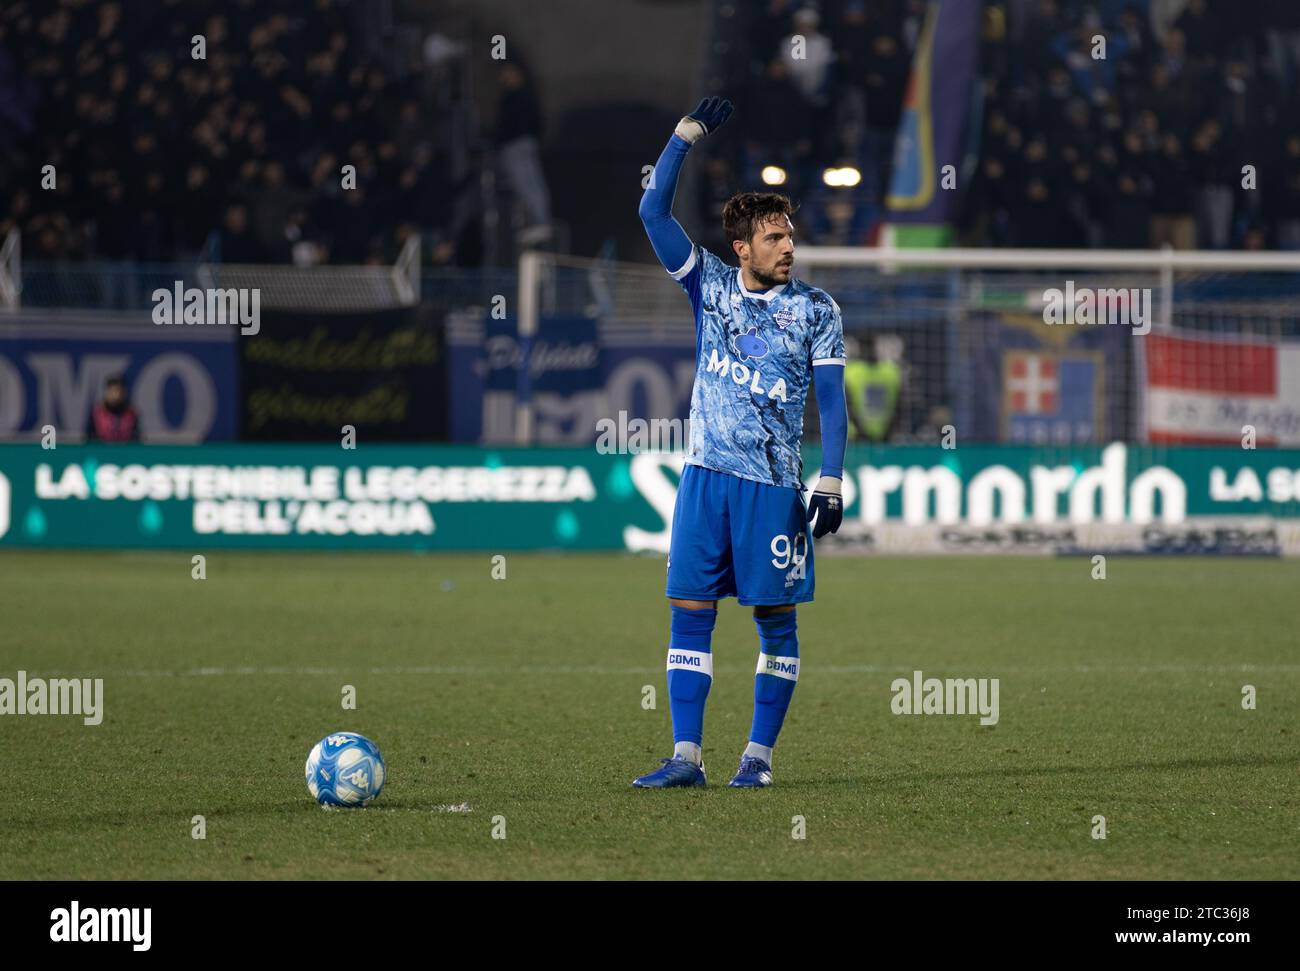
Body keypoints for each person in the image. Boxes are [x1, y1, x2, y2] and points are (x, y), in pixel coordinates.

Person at [632, 97, 847, 789]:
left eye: (790, 235)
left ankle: (757, 758)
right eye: (774, 237)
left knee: (774, 622)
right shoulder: (711, 288)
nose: (788, 246)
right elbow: (651, 214)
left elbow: (833, 403)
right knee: (690, 612)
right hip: (704, 479)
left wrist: (832, 480)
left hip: (772, 487)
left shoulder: (816, 310)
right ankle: (686, 757)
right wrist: (682, 138)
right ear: (742, 247)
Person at [90, 376, 140, 442]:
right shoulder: (96, 414)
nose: (114, 395)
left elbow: (137, 439)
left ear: (123, 393)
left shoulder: (132, 414)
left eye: (117, 391)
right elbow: (89, 439)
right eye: (111, 391)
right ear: (106, 392)